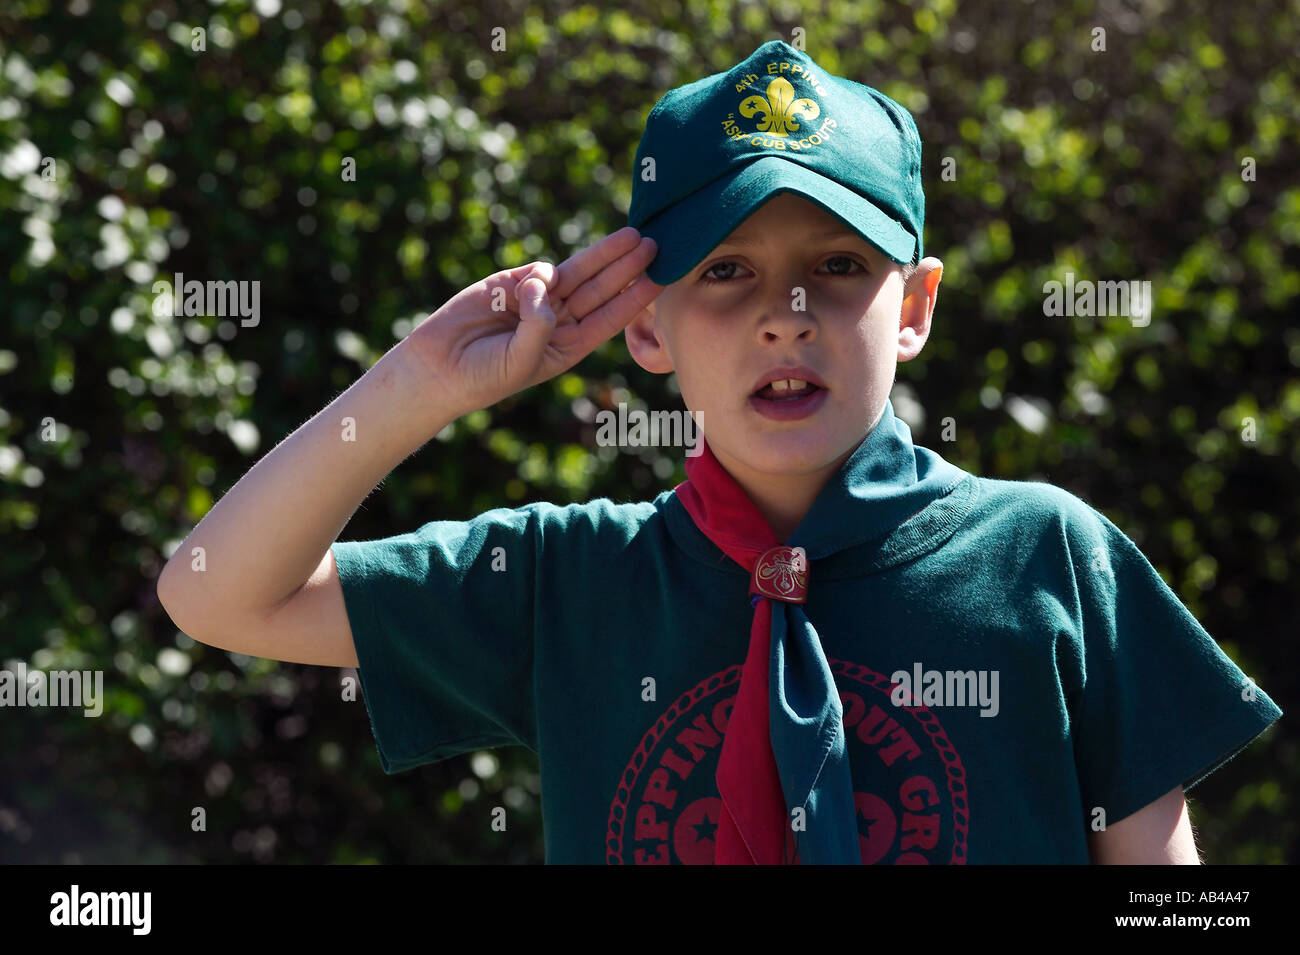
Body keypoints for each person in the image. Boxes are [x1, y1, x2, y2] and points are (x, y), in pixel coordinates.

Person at [157, 40, 1283, 864]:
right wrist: (419, 385)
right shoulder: (566, 582)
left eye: (837, 267)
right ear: (645, 324)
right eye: (724, 271)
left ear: (916, 307)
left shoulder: (1047, 554)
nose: (784, 313)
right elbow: (216, 594)